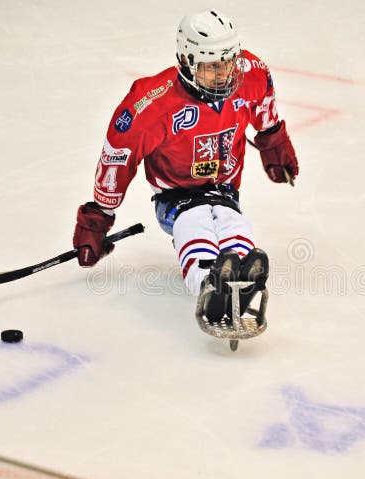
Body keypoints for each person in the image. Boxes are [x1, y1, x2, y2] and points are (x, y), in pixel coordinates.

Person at [72, 9, 299, 323]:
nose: (224, 74)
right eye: (211, 67)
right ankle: (208, 284)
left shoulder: (251, 72)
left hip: (224, 190)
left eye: (228, 63)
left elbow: (263, 100)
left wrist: (273, 141)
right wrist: (97, 219)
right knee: (194, 221)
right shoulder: (152, 106)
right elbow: (118, 158)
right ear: (187, 62)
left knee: (232, 222)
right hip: (175, 197)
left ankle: (242, 275)